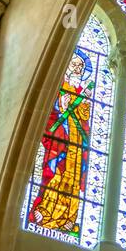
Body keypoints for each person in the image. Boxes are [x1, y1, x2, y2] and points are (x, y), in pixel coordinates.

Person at [27, 52, 93, 235]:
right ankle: (45, 210)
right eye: (75, 64)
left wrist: (84, 102)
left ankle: (68, 218)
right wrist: (60, 106)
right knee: (56, 172)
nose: (78, 69)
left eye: (81, 66)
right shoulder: (58, 86)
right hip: (60, 139)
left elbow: (85, 117)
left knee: (72, 178)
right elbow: (48, 112)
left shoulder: (80, 91)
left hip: (75, 141)